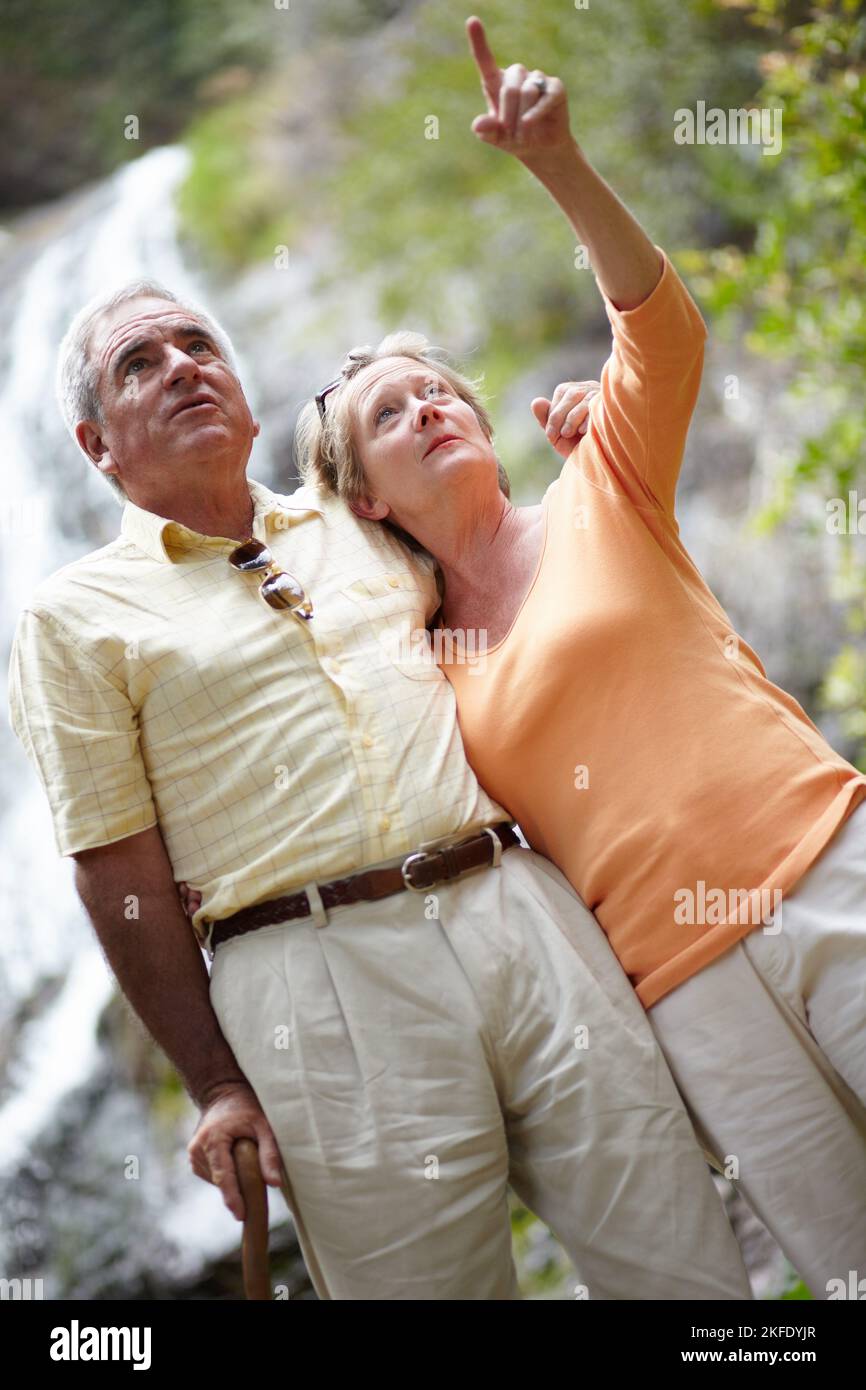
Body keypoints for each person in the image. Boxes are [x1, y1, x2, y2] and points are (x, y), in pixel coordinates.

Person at [6, 276, 751, 1300]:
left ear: (248, 400)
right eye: (140, 363)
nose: (183, 365)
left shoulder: (365, 516)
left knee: (685, 1272)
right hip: (313, 981)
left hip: (520, 913)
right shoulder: (69, 618)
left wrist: (590, 430)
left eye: (198, 346)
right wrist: (218, 1081)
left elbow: (513, 548)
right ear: (96, 447)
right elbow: (111, 864)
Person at [293, 15, 866, 1298]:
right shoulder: (410, 662)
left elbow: (661, 334)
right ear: (367, 499)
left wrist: (554, 160)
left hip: (826, 863)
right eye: (388, 413)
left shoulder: (600, 479)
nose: (426, 405)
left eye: (435, 388)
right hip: (681, 987)